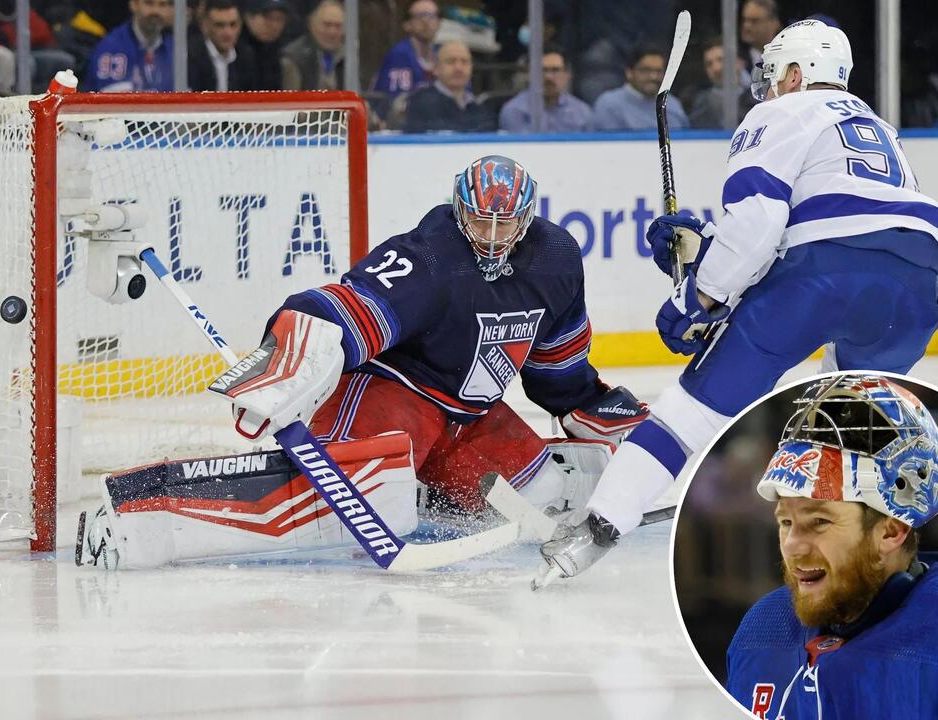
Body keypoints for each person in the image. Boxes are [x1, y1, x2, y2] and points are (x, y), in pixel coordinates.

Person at [77, 155, 649, 568]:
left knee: (554, 492)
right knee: (348, 503)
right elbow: (343, 311)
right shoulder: (429, 256)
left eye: (506, 224)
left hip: (471, 418)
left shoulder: (555, 260)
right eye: (480, 221)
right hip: (394, 400)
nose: (493, 236)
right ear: (460, 209)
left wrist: (586, 404)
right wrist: (289, 364)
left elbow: (556, 358)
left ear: (527, 218)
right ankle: (136, 515)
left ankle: (424, 486)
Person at [535, 20, 938, 586]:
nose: (768, 86)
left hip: (823, 274)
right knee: (838, 423)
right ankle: (859, 548)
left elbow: (760, 222)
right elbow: (838, 230)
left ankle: (596, 527)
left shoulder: (784, 110)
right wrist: (703, 249)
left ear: (797, 75)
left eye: (775, 75)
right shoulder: (880, 129)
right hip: (922, 282)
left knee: (686, 415)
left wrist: (697, 295)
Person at [726, 374, 938, 719]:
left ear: (891, 531)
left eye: (820, 521)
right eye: (786, 522)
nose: (792, 546)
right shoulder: (762, 627)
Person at [403, 40, 497, 133]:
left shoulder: (480, 109)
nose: (458, 68)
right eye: (451, 61)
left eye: (464, 62)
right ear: (436, 68)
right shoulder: (420, 103)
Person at [591, 45, 689, 131]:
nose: (653, 77)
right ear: (629, 72)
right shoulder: (610, 104)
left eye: (659, 71)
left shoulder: (672, 104)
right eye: (646, 70)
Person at [85, 0, 174, 92]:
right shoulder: (111, 47)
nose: (156, 11)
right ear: (134, 4)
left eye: (162, 5)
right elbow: (115, 103)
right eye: (149, 3)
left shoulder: (174, 48)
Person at [499, 49, 593, 133]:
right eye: (542, 70)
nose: (548, 77)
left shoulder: (582, 111)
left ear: (567, 75)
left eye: (555, 70)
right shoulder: (515, 110)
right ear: (530, 74)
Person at [370, 0, 439, 103]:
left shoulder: (441, 56)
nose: (426, 21)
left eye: (431, 16)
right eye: (419, 16)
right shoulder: (399, 56)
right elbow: (396, 107)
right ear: (407, 24)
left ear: (439, 22)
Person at [187, 0, 258, 92]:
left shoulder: (246, 56)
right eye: (219, 25)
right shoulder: (190, 56)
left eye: (233, 25)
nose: (228, 33)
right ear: (205, 26)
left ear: (240, 25)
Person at [688, 36, 755, 129]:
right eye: (709, 64)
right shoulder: (703, 103)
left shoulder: (760, 97)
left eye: (721, 60)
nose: (716, 68)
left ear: (739, 62)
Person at [280, 0, 344, 91]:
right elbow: (291, 102)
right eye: (327, 25)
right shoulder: (294, 58)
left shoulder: (349, 56)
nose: (332, 32)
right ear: (313, 25)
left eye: (338, 26)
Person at [240, 0, 289, 91]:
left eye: (280, 19)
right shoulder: (233, 53)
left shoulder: (278, 51)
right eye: (268, 17)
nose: (274, 25)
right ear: (248, 17)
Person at [740, 0, 782, 69]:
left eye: (755, 21)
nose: (746, 26)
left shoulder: (786, 56)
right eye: (744, 20)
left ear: (774, 23)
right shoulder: (733, 57)